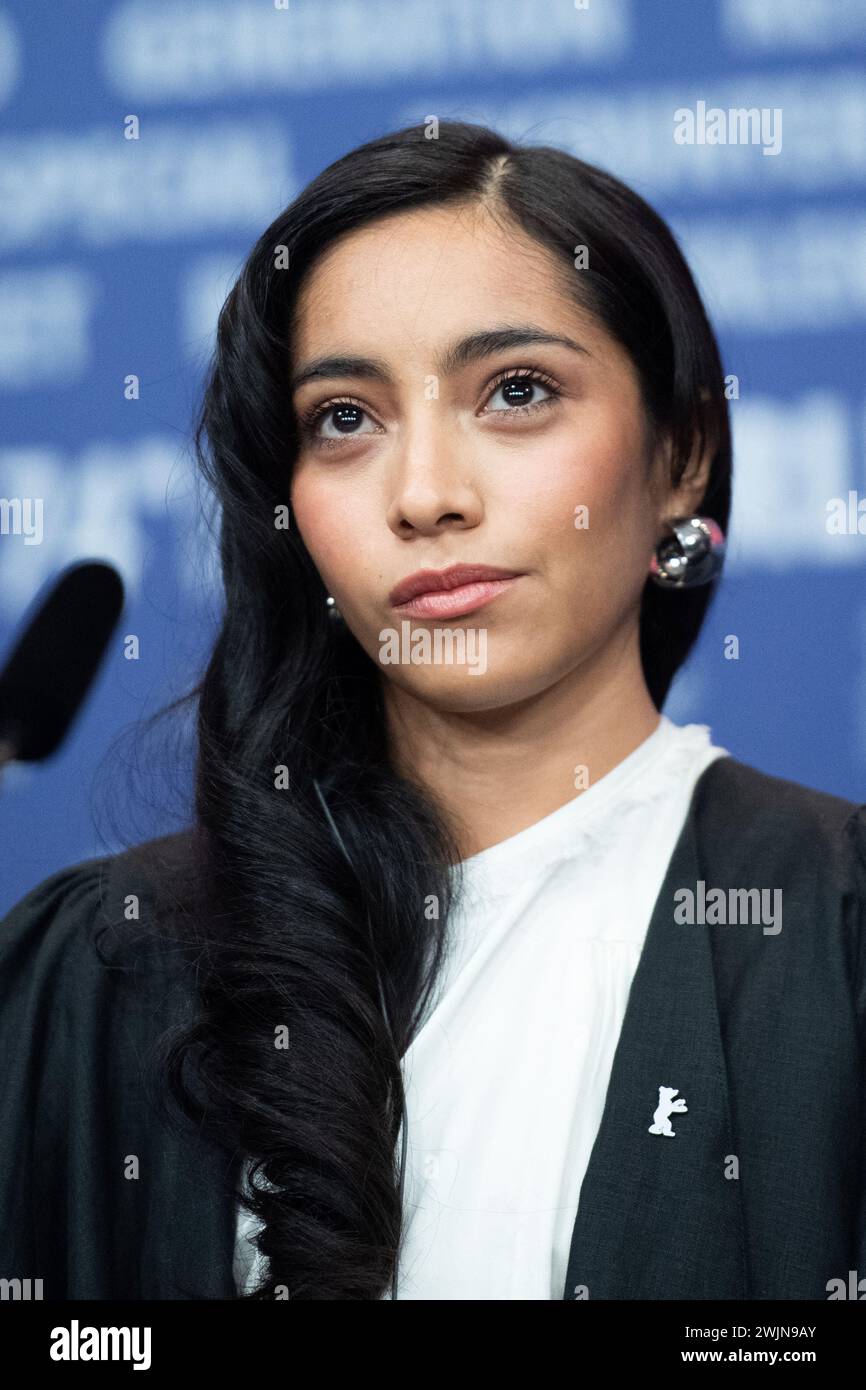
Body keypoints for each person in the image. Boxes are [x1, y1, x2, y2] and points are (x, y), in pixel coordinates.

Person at [1, 120, 864, 1302]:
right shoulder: (101, 970)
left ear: (681, 454)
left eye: (515, 391)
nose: (423, 496)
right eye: (343, 418)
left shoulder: (835, 933)